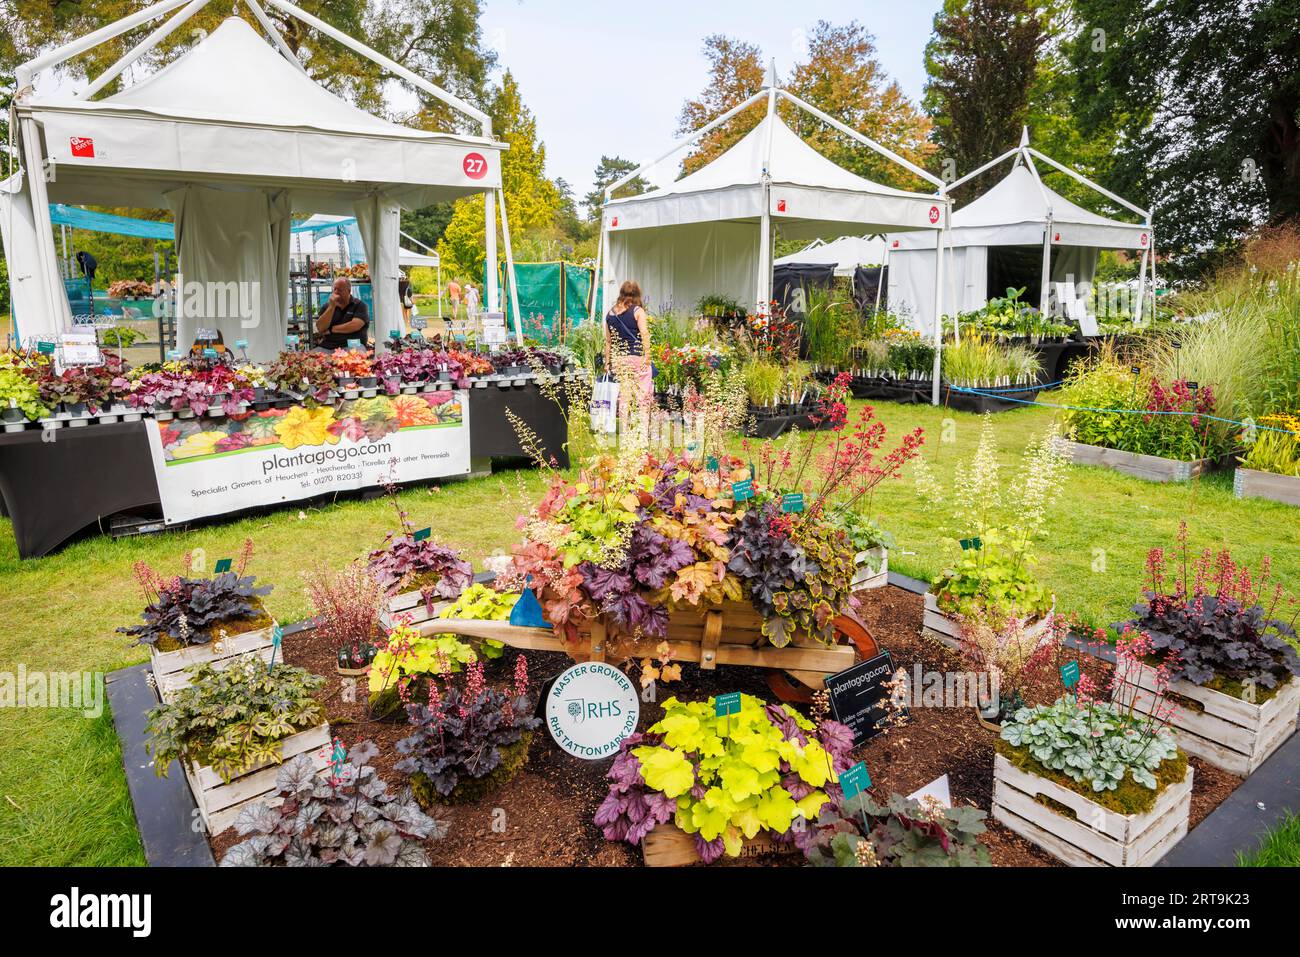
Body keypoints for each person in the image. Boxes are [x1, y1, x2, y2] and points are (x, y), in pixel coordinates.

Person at [604, 279, 652, 408]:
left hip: (619, 359)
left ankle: (624, 427)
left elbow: (609, 341)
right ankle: (641, 427)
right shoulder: (638, 311)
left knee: (624, 396)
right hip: (636, 358)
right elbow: (644, 334)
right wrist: (647, 356)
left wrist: (607, 362)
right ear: (637, 294)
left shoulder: (610, 314)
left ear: (621, 293)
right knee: (643, 396)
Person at [314, 277, 369, 350]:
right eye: (335, 289)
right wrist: (331, 307)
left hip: (353, 344)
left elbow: (354, 325)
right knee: (310, 358)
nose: (336, 292)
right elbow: (320, 328)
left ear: (349, 291)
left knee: (355, 357)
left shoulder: (359, 305)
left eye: (340, 290)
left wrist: (331, 329)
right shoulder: (327, 306)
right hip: (329, 346)